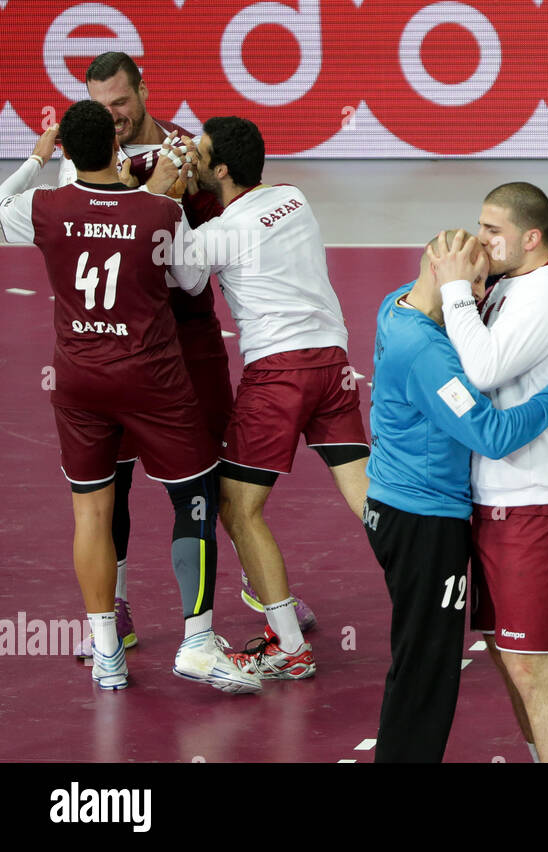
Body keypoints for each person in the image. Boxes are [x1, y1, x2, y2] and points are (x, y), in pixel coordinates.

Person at [0, 102, 258, 694]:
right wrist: (168, 194)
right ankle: (197, 643)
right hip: (152, 381)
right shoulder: (158, 212)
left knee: (91, 511)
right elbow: (192, 281)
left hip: (79, 381)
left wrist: (35, 161)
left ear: (66, 150)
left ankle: (106, 652)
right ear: (118, 151)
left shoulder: (46, 206)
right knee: (193, 498)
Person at [365, 230, 548, 762]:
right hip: (424, 524)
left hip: (397, 507)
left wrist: (547, 256)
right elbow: (492, 435)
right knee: (427, 669)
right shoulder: (426, 353)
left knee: (422, 659)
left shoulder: (398, 304)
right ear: (449, 282)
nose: (482, 296)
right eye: (478, 286)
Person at [56, 52, 244, 658]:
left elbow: (223, 232)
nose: (111, 117)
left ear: (144, 88)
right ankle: (118, 607)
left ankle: (261, 591)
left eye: (121, 102)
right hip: (122, 344)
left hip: (188, 342)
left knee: (209, 479)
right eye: (100, 106)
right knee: (113, 481)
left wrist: (196, 191)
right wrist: (149, 193)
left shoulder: (193, 150)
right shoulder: (83, 163)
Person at [182, 117, 372, 681]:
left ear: (220, 169)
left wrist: (166, 196)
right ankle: (430, 592)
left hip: (278, 371)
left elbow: (185, 279)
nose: (192, 158)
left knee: (238, 508)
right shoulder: (294, 198)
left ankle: (287, 643)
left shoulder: (216, 235)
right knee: (365, 492)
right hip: (333, 361)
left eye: (201, 154)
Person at [439, 182, 548, 762]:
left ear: (530, 238)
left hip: (535, 503)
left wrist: (453, 287)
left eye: (492, 229)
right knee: (505, 653)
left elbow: (481, 369)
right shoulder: (517, 278)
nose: (481, 239)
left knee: (534, 668)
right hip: (494, 500)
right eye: (480, 225)